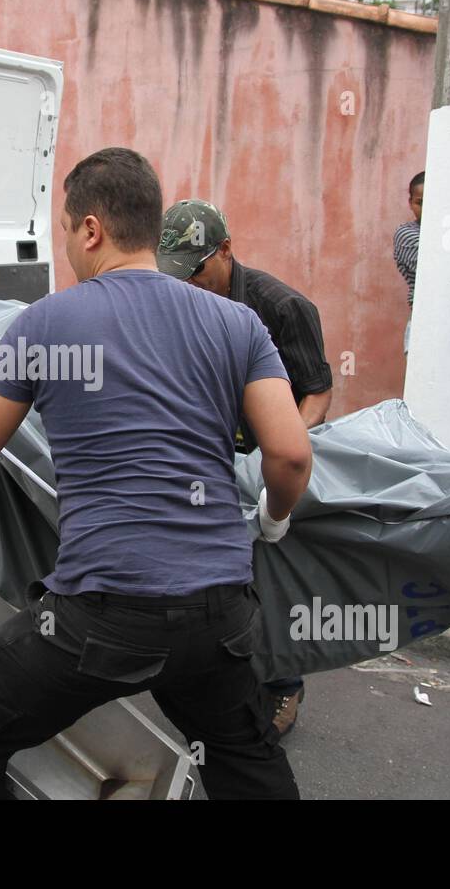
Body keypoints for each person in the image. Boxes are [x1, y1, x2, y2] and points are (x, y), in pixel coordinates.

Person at [0, 148, 313, 800]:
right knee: (241, 752)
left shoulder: (46, 322)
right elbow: (292, 454)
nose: (67, 246)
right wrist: (271, 521)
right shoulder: (237, 323)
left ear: (92, 230)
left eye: (66, 229)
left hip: (105, 617)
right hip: (220, 610)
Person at [154, 198, 331, 738]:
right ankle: (219, 680)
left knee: (272, 577)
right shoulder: (180, 303)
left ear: (226, 250)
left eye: (197, 271)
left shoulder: (282, 308)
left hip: (270, 464)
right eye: (177, 275)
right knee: (220, 582)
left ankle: (284, 686)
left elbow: (318, 395)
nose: (188, 284)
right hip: (210, 463)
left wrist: (273, 462)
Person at [393, 171, 425, 355]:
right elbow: (436, 271)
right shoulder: (406, 234)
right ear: (410, 203)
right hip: (424, 319)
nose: (426, 207)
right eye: (420, 202)